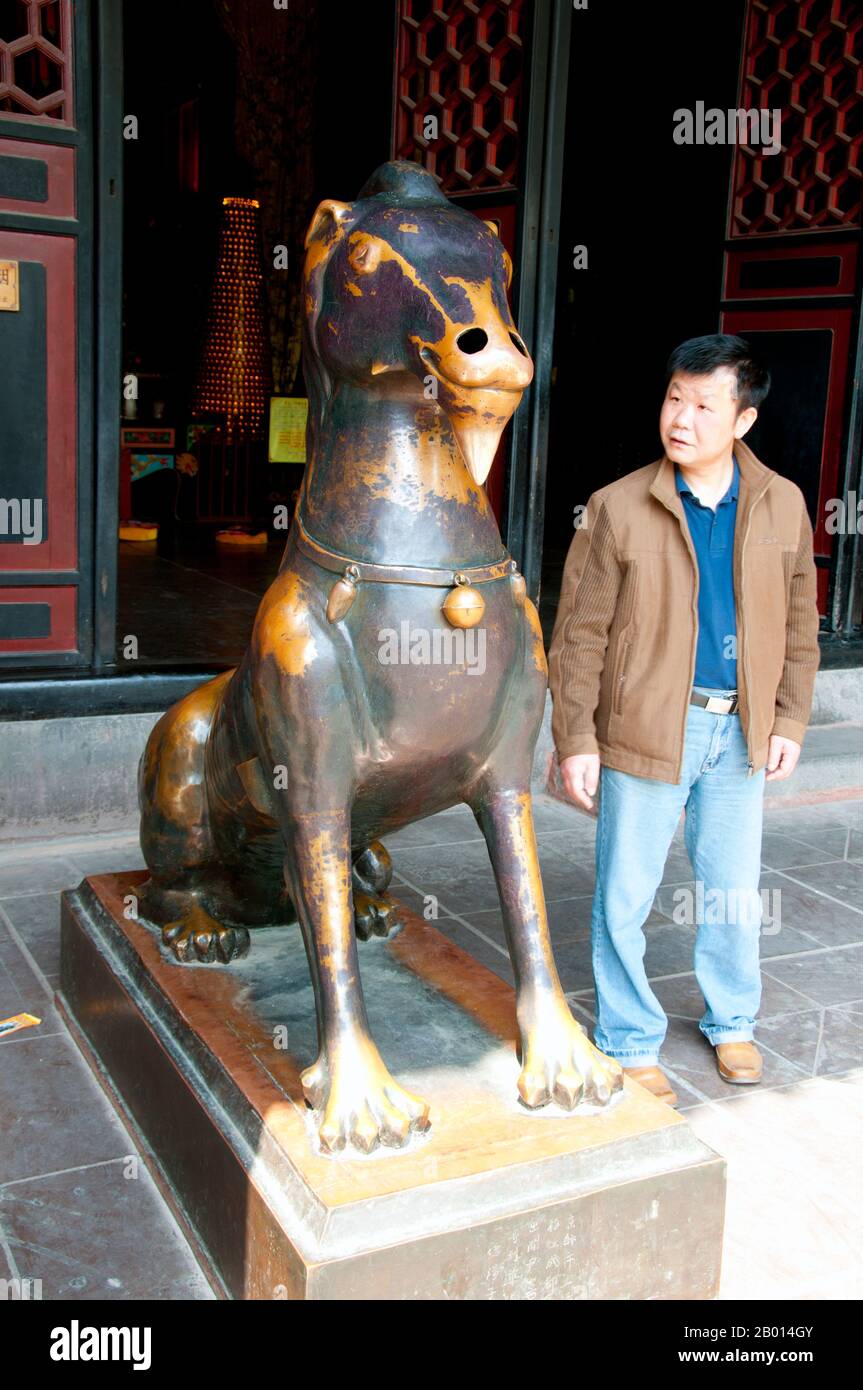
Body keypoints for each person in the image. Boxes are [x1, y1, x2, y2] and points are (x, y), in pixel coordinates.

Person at [548, 334, 820, 1105]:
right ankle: (629, 1037)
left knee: (731, 891)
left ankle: (731, 1021)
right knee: (622, 896)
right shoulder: (617, 506)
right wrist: (576, 738)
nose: (682, 417)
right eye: (674, 397)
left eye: (704, 404)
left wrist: (788, 719)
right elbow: (578, 637)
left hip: (738, 733)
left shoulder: (782, 504)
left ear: (742, 419)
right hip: (643, 728)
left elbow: (799, 626)